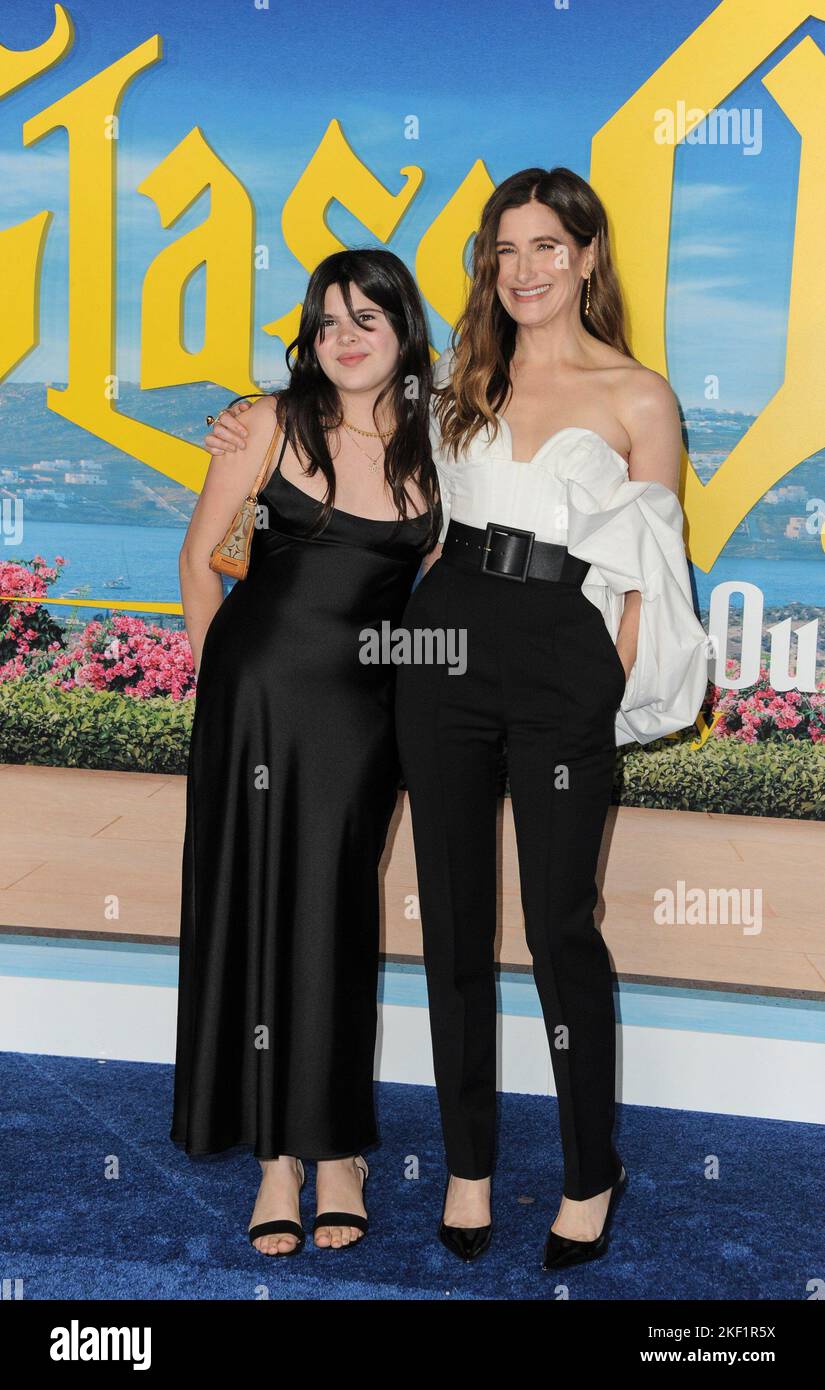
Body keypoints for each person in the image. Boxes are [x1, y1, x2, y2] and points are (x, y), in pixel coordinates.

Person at [395, 166, 709, 1268]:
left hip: (564, 654)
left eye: (545, 246)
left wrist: (602, 685)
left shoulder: (639, 395)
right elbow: (405, 513)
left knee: (558, 926)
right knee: (453, 926)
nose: (523, 269)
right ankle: (469, 1165)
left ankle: (589, 1171)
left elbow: (652, 575)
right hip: (448, 645)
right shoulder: (455, 383)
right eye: (504, 248)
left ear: (585, 257)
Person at [171, 248, 439, 1257]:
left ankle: (338, 1152)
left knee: (332, 913)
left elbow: (438, 601)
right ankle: (278, 1160)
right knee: (251, 906)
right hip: (249, 702)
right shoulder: (268, 423)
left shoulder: (438, 445)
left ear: (403, 332)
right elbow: (201, 561)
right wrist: (219, 686)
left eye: (367, 316)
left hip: (362, 718)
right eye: (327, 321)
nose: (345, 336)